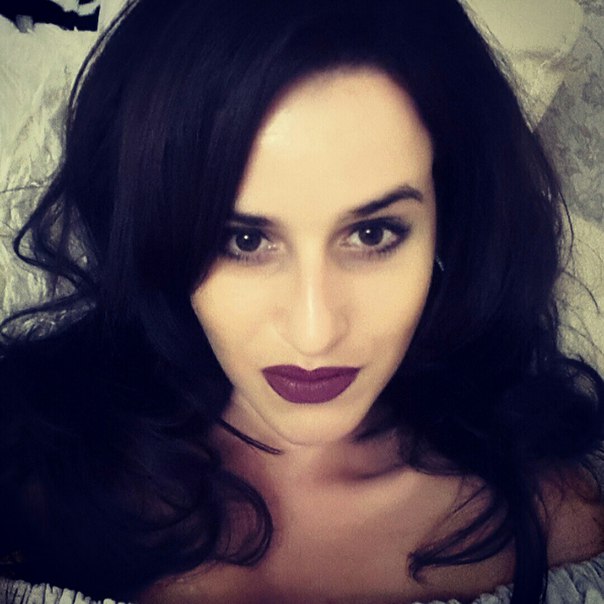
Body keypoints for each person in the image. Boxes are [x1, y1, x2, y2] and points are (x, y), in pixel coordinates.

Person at [1, 0, 603, 602]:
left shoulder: (557, 525)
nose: (315, 332)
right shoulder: (32, 470)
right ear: (160, 233)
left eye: (372, 234)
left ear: (448, 226)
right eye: (244, 240)